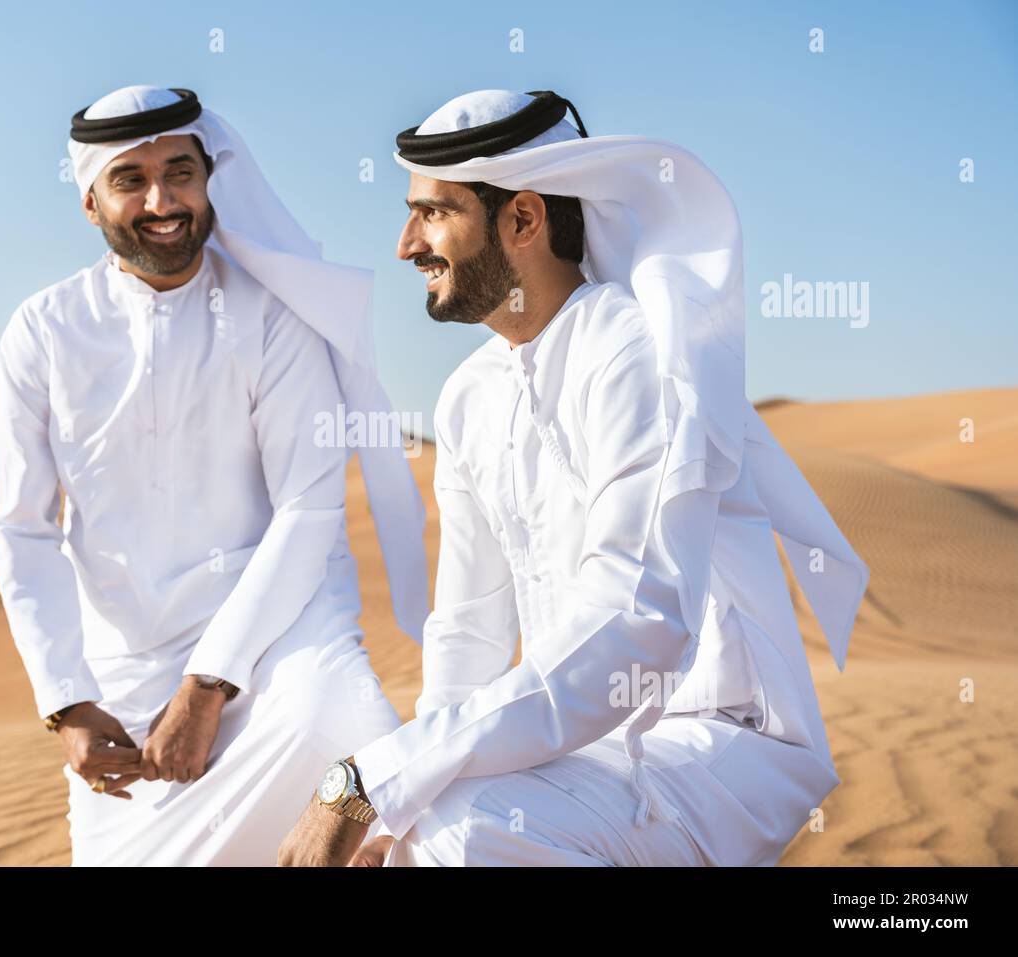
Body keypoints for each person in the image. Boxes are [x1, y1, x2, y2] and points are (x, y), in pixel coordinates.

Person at [279, 89, 869, 867]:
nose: (404, 245)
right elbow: (470, 633)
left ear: (522, 220)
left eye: (433, 214)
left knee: (469, 830)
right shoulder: (468, 396)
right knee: (420, 833)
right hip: (586, 748)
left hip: (713, 741)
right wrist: (403, 798)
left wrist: (374, 776)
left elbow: (636, 623)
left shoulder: (639, 349)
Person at [0, 85, 427, 865]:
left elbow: (308, 504)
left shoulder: (271, 314)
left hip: (280, 645)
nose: (162, 199)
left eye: (180, 172)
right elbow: (22, 527)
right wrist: (68, 704)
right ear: (91, 203)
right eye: (130, 179)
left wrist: (210, 684)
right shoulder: (43, 331)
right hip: (126, 685)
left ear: (208, 180)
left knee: (380, 769)